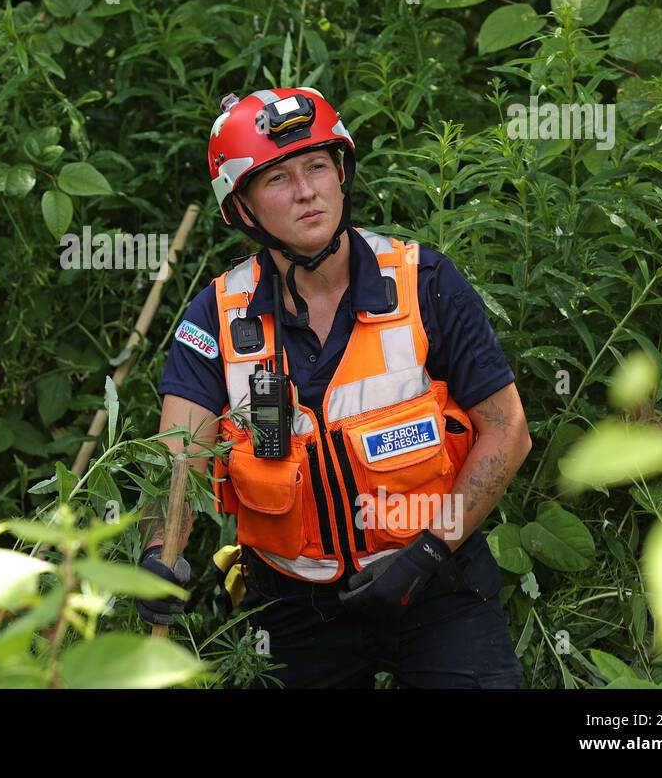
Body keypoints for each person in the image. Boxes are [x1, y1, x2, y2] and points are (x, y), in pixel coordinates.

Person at [137, 87, 532, 688]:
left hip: (438, 580)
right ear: (240, 207)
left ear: (341, 174)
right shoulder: (214, 318)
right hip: (294, 605)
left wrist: (429, 553)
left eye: (318, 166)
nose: (306, 191)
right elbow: (178, 461)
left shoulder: (425, 282)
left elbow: (507, 432)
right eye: (277, 179)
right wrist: (158, 556)